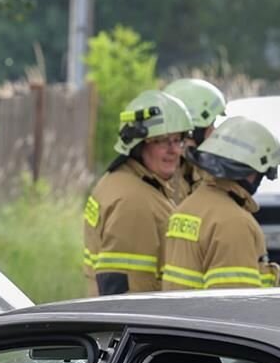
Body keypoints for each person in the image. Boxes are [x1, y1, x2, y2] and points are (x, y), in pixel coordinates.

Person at [82, 89, 195, 295]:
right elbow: (129, 290)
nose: (174, 150)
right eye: (162, 140)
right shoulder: (133, 202)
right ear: (137, 145)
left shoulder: (121, 181)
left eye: (177, 140)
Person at [160, 115, 280, 290]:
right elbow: (234, 306)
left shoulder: (186, 208)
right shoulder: (235, 223)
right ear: (250, 170)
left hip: (179, 315)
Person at [163, 77, 227, 198]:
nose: (214, 131)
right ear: (193, 131)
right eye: (211, 125)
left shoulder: (185, 165)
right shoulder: (173, 172)